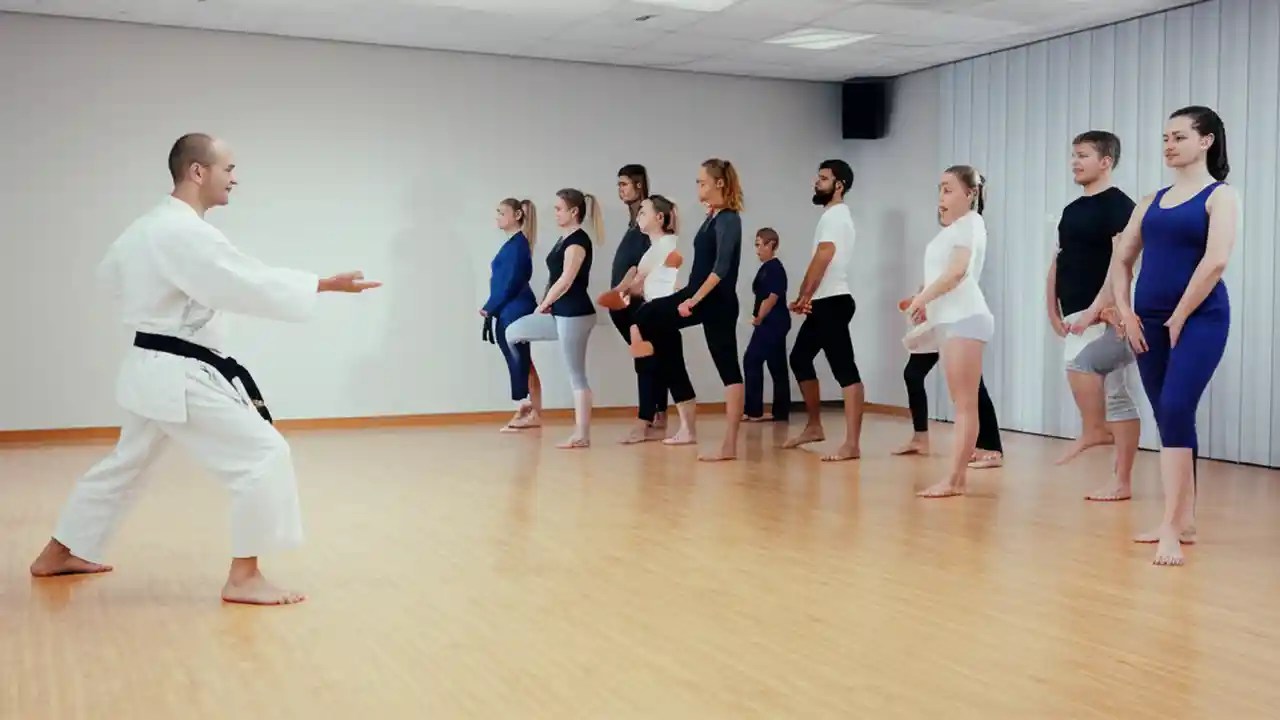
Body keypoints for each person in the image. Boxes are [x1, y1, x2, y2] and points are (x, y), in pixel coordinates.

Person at [28, 133, 381, 605]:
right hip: (176, 374)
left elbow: (112, 278)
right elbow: (238, 281)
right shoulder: (181, 231)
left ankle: (58, 553)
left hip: (149, 367)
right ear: (199, 171)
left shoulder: (146, 227)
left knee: (125, 466)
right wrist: (321, 285)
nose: (235, 178)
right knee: (264, 454)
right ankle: (244, 578)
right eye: (228, 168)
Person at [1108, 105, 1237, 566]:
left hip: (1200, 318)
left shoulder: (1220, 196)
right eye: (1165, 137)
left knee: (1178, 404)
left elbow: (1216, 260)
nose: (1168, 145)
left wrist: (1181, 314)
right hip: (1148, 321)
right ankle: (1186, 519)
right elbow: (1123, 259)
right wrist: (1125, 310)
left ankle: (1169, 525)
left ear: (1206, 141)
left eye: (1179, 137)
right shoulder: (1151, 200)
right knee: (1169, 416)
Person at [631, 159, 745, 462]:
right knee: (650, 318)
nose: (698, 186)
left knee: (728, 368)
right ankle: (686, 415)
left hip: (715, 301)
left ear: (720, 184)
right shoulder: (714, 217)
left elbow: (721, 269)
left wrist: (694, 301)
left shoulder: (729, 219)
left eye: (702, 181)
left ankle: (729, 444)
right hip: (699, 296)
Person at [1049, 131, 1141, 501]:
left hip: (1105, 312)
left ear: (1106, 162)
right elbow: (1057, 262)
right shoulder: (1072, 210)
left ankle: (1120, 477)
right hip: (1075, 312)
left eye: (1083, 155)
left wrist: (1096, 311)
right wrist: (1052, 310)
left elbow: (1122, 264)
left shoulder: (1119, 206)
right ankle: (1096, 434)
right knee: (1091, 379)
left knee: (1115, 392)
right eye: (1073, 154)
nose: (1075, 161)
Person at [904, 165, 995, 498]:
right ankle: (955, 478)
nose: (941, 196)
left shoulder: (971, 223)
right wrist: (924, 301)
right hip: (952, 318)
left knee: (964, 405)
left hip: (966, 317)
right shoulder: (953, 229)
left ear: (970, 194)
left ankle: (956, 480)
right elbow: (942, 276)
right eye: (939, 189)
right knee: (963, 403)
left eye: (948, 189)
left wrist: (922, 298)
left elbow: (957, 273)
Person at [505, 189, 603, 449]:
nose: (555, 213)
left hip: (576, 315)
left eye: (559, 208)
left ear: (574, 212)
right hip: (559, 313)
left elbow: (567, 279)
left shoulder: (578, 241)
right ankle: (527, 398)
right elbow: (555, 278)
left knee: (576, 375)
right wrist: (546, 303)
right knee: (513, 333)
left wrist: (545, 303)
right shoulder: (564, 239)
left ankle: (582, 435)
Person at [784, 160, 863, 462]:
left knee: (845, 369)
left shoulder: (836, 216)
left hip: (833, 301)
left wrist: (805, 294)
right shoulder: (833, 216)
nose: (817, 183)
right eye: (817, 177)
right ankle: (814, 426)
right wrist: (809, 299)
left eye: (823, 178)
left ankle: (852, 444)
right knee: (800, 358)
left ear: (838, 185)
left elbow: (824, 256)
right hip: (824, 301)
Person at [608, 194, 683, 442]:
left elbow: (658, 285)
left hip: (658, 315)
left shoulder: (665, 246)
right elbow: (639, 281)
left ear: (659, 218)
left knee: (659, 368)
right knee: (660, 368)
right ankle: (655, 420)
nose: (638, 215)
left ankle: (645, 422)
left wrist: (627, 289)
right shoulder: (654, 248)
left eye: (644, 211)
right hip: (650, 314)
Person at [481, 198, 543, 432]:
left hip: (515, 307)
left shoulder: (519, 245)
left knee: (521, 357)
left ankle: (527, 406)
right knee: (523, 360)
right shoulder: (512, 244)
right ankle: (529, 408)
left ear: (517, 215)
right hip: (508, 307)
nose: (497, 216)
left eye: (501, 212)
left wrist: (491, 305)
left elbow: (512, 281)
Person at [892, 350, 1003, 467]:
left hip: (958, 332)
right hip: (935, 332)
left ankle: (992, 448)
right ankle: (920, 438)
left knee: (969, 377)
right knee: (913, 374)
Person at [742, 228, 790, 423]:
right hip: (771, 323)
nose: (756, 249)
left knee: (751, 359)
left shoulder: (775, 269)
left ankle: (754, 411)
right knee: (777, 366)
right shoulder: (766, 268)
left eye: (758, 244)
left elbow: (771, 297)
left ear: (771, 245)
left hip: (773, 323)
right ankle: (780, 413)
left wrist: (759, 318)